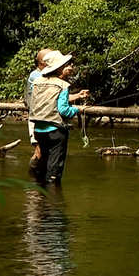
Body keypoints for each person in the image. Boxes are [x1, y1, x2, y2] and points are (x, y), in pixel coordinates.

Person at [29, 50, 88, 184]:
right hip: (56, 130)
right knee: (54, 170)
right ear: (59, 68)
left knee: (43, 166)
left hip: (38, 130)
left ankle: (40, 199)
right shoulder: (63, 85)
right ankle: (54, 200)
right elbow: (63, 110)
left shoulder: (36, 82)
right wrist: (77, 109)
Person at [26, 48, 53, 179]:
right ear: (42, 62)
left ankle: (39, 180)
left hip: (41, 118)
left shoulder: (41, 75)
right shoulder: (37, 76)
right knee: (39, 152)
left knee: (44, 152)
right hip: (36, 119)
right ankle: (33, 180)